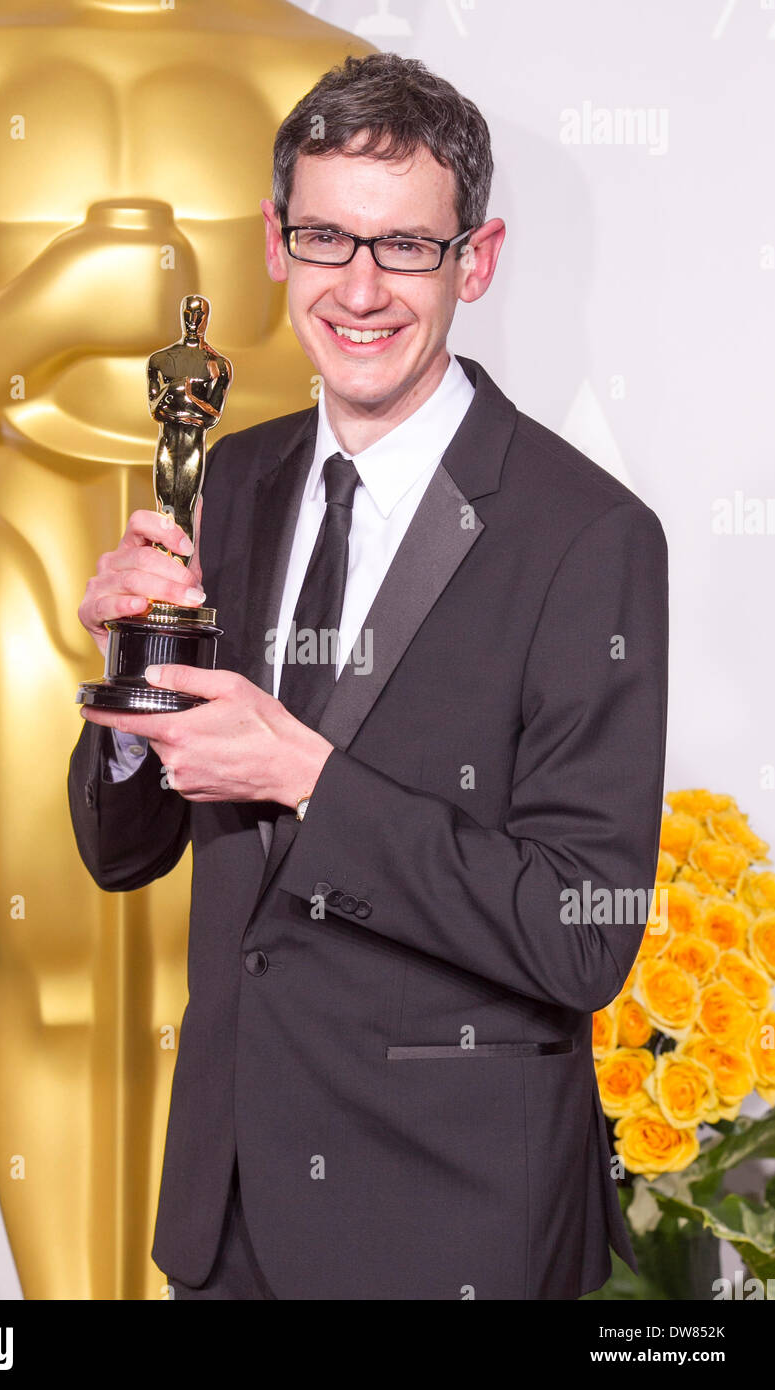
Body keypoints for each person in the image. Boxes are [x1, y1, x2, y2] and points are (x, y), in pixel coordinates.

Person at [68, 52, 669, 1300]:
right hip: (225, 1220)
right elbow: (122, 853)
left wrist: (310, 779)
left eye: (403, 247)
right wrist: (131, 682)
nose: (358, 287)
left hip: (452, 1230)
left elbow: (582, 935)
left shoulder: (588, 535)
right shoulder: (229, 479)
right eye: (326, 237)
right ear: (274, 244)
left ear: (474, 261)